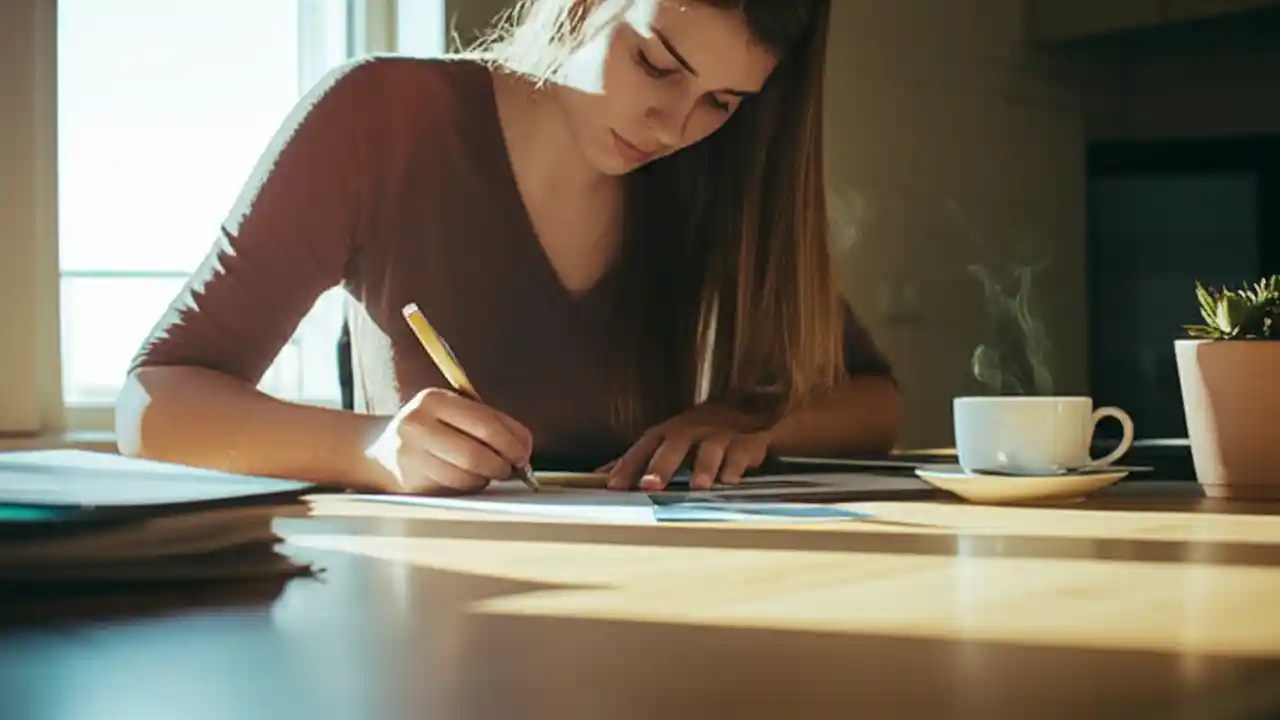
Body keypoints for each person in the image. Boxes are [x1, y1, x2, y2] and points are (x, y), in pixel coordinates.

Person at [115, 0, 902, 496]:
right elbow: (152, 405)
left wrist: (750, 422)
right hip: (433, 619)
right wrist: (373, 448)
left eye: (722, 102)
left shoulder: (711, 175)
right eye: (656, 62)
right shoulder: (380, 117)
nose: (674, 127)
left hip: (652, 619)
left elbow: (873, 400)